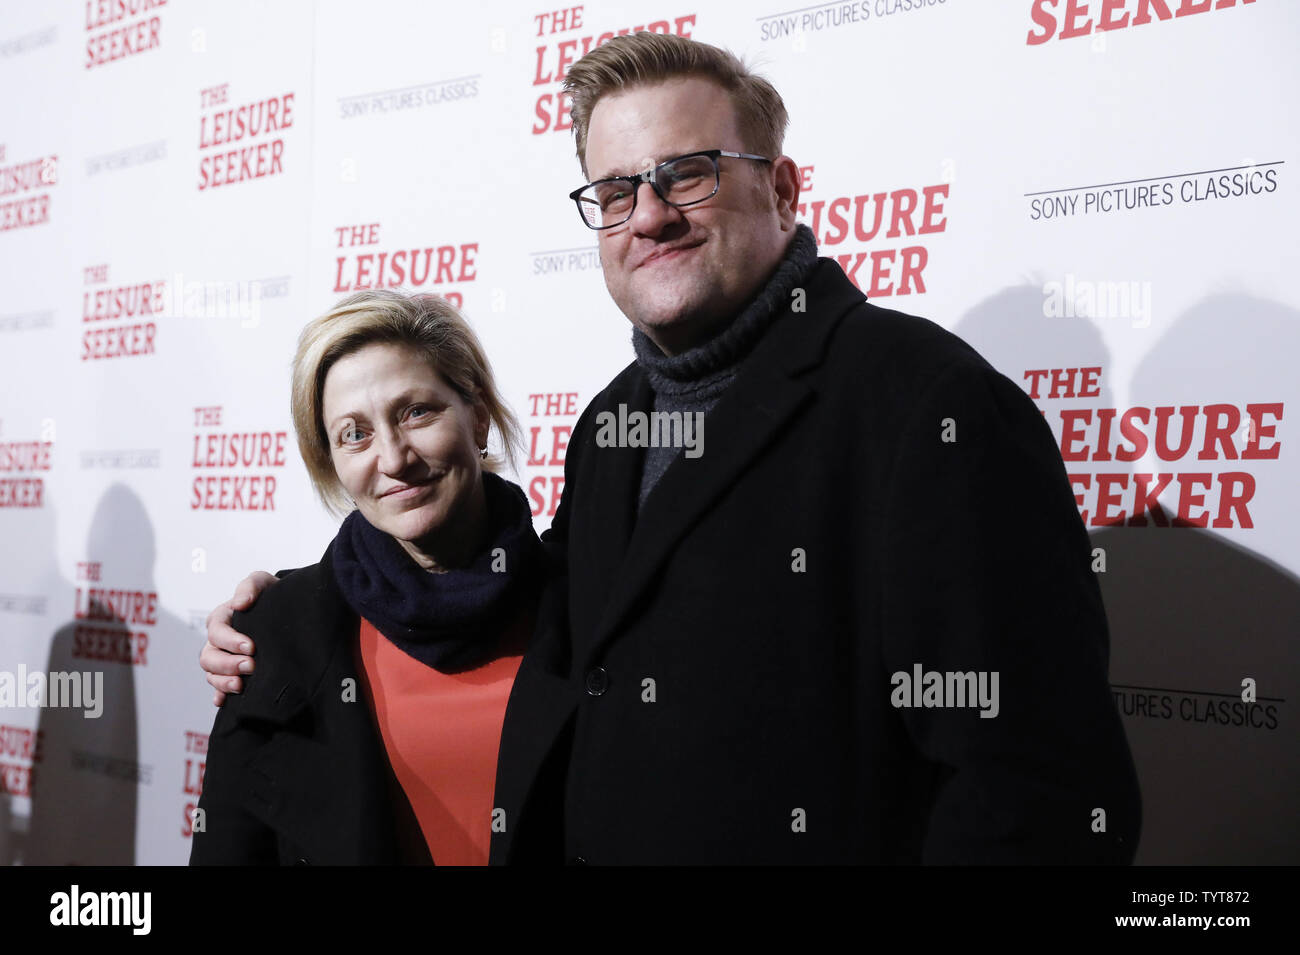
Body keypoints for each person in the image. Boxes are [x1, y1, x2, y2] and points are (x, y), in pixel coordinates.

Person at [203, 34, 1141, 864]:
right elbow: (517, 601)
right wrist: (291, 611)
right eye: (614, 192)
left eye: (685, 173)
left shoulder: (927, 405)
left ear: (780, 187)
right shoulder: (613, 421)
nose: (648, 215)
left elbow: (1040, 794)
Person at [190, 289, 545, 865]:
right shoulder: (274, 635)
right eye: (354, 434)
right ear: (332, 461)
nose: (394, 458)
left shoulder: (588, 601)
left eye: (416, 412)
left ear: (477, 416)